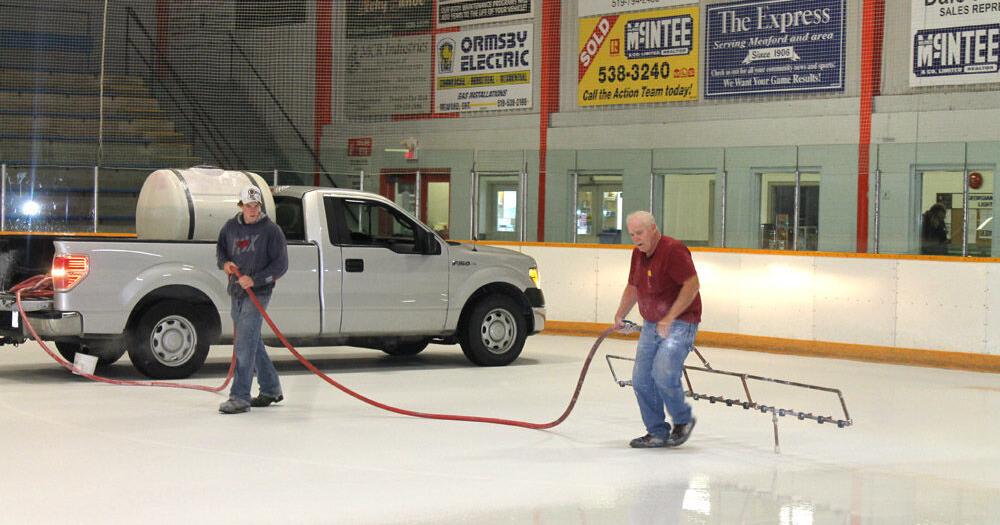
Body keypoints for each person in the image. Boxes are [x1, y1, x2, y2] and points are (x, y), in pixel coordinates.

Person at [613, 211, 702, 448]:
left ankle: (682, 420)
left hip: (681, 322)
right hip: (652, 324)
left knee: (663, 372)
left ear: (653, 229)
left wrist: (670, 317)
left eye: (639, 233)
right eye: (632, 234)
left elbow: (692, 284)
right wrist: (621, 313)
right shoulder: (638, 254)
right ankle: (657, 431)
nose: (636, 239)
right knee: (641, 380)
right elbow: (633, 286)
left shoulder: (673, 250)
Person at [216, 186, 289, 414]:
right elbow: (221, 251)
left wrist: (255, 280)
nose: (253, 210)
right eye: (249, 206)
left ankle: (240, 397)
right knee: (251, 341)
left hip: (258, 293)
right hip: (236, 291)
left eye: (256, 206)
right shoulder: (230, 228)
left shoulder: (271, 231)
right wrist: (225, 264)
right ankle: (270, 388)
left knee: (244, 345)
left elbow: (280, 265)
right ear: (241, 206)